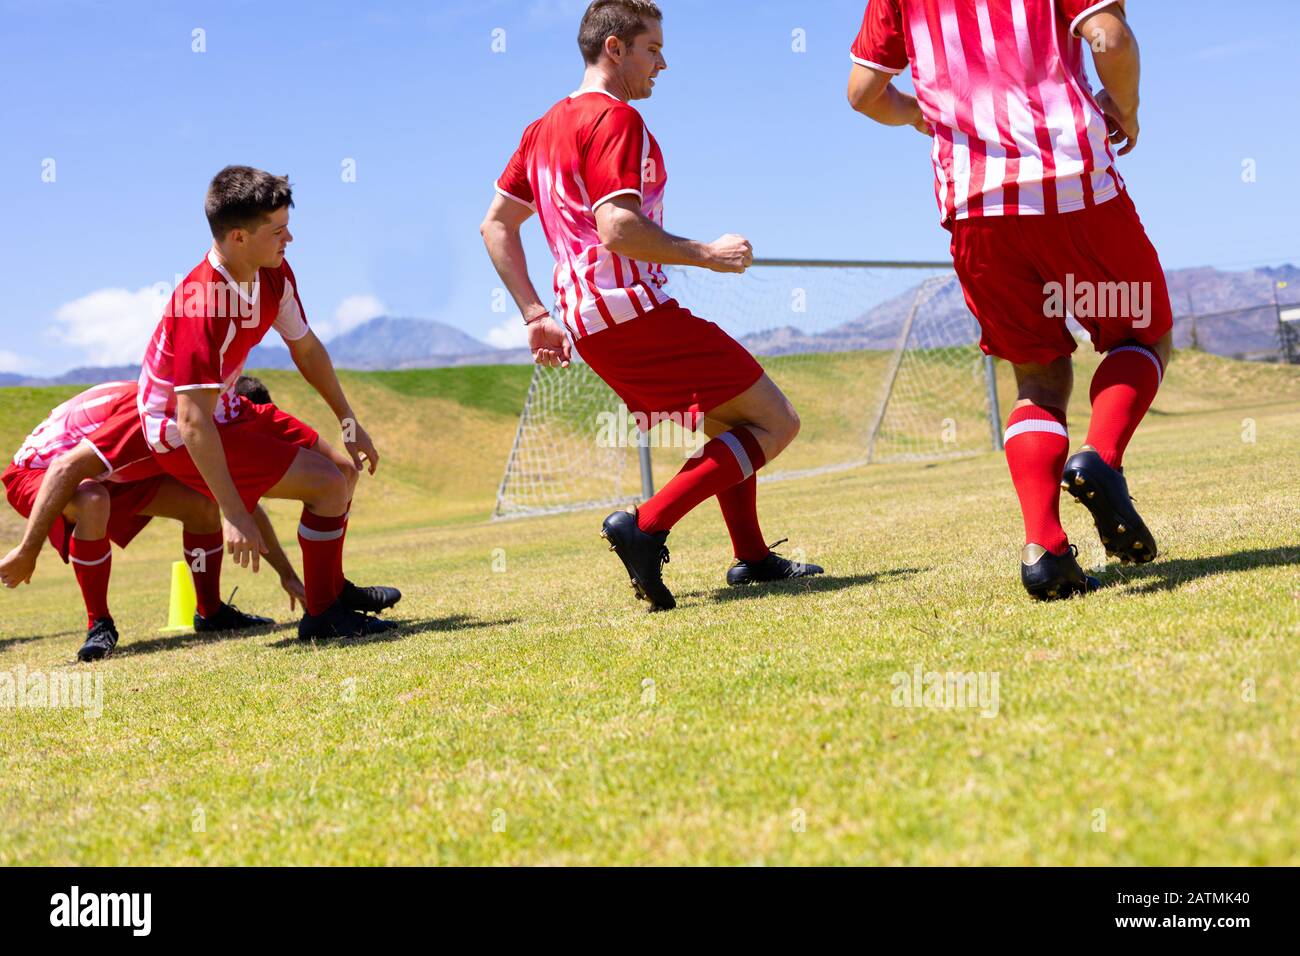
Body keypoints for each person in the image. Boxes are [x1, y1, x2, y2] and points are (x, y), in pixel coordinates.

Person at [481, 0, 823, 611]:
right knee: (777, 423)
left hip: (590, 322)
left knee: (732, 426)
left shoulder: (540, 129)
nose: (663, 64)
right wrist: (708, 253)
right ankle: (646, 525)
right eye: (652, 50)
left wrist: (536, 314)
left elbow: (495, 226)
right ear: (615, 48)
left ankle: (752, 558)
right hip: (630, 310)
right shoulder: (615, 121)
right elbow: (616, 227)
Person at [846, 0, 1171, 599]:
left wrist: (927, 118)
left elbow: (864, 92)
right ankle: (1100, 456)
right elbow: (1111, 41)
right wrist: (1125, 108)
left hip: (975, 208)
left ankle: (1043, 550)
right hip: (1073, 185)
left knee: (1038, 380)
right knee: (1140, 334)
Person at [137, 166, 401, 639]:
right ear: (238, 238)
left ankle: (331, 591)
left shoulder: (272, 274)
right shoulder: (200, 303)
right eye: (277, 231)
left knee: (341, 472)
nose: (290, 239)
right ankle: (323, 620)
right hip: (177, 434)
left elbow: (305, 347)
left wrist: (348, 419)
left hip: (224, 410)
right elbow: (191, 420)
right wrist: (235, 513)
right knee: (324, 485)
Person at [0, 381, 297, 660]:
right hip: (41, 470)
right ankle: (99, 624)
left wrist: (288, 575)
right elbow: (65, 468)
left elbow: (241, 503)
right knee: (92, 501)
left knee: (201, 504)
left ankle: (211, 613)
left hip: (101, 471)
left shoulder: (194, 417)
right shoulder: (155, 416)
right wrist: (28, 550)